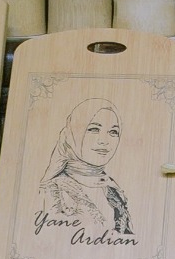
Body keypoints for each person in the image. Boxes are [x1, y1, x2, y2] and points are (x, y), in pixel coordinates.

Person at [35, 98, 134, 240]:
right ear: (72, 134)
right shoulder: (53, 190)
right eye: (94, 129)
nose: (104, 140)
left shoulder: (112, 188)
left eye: (113, 132)